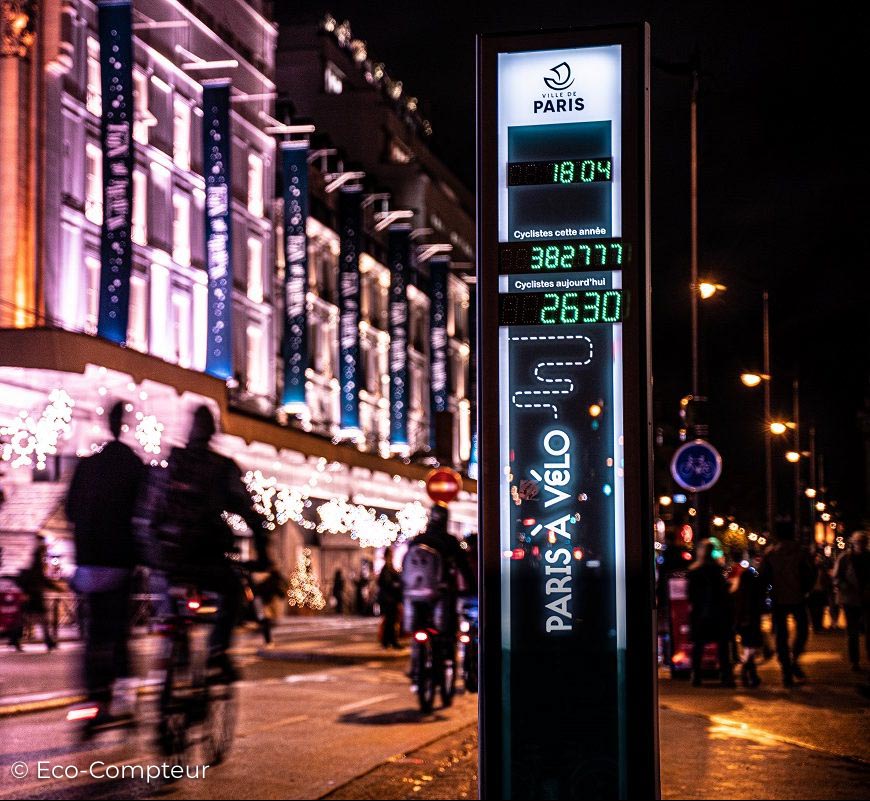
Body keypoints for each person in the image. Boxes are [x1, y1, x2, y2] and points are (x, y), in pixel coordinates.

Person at [148, 405, 270, 683]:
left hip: (169, 556)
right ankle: (217, 650)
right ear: (212, 432)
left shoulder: (173, 462)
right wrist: (263, 553)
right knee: (232, 591)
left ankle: (173, 641)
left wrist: (154, 548)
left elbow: (152, 510)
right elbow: (249, 513)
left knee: (166, 592)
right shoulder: (220, 467)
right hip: (205, 557)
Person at [65, 401, 144, 729]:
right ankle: (122, 699)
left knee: (92, 635)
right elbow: (142, 516)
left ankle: (90, 698)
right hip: (119, 563)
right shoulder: (134, 466)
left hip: (87, 565)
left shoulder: (87, 466)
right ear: (124, 424)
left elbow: (69, 509)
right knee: (119, 634)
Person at [402, 505, 475, 645]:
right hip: (441, 593)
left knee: (416, 628)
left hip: (413, 594)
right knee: (447, 629)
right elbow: (463, 567)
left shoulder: (417, 540)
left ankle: (417, 662)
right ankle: (446, 652)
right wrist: (471, 588)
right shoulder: (450, 541)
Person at [761, 522, 816, 687]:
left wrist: (768, 594)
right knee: (802, 631)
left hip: (778, 599)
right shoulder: (801, 552)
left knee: (781, 635)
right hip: (798, 597)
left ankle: (786, 668)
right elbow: (811, 573)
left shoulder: (770, 553)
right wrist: (805, 589)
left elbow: (764, 577)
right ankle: (794, 660)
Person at [687, 539, 734, 687]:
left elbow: (690, 595)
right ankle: (725, 675)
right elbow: (724, 593)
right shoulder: (718, 570)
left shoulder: (694, 571)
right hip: (718, 613)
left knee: (699, 645)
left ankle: (696, 674)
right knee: (722, 646)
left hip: (701, 613)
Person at [10, 540, 58, 652]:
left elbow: (44, 582)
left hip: (33, 599)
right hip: (33, 599)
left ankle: (48, 642)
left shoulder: (36, 568)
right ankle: (15, 639)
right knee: (34, 621)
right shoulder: (36, 569)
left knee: (31, 621)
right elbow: (43, 582)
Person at [833, 531, 870, 672]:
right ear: (853, 543)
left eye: (863, 542)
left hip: (867, 599)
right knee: (852, 632)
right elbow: (836, 578)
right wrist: (845, 586)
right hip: (851, 599)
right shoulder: (845, 558)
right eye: (858, 542)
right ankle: (854, 661)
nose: (861, 545)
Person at [733, 555, 766, 688]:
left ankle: (750, 675)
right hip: (751, 624)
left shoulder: (739, 595)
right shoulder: (753, 597)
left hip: (744, 625)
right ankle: (748, 674)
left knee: (749, 650)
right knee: (750, 651)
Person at [377, 547, 403, 649]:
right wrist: (396, 585)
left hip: (391, 599)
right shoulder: (386, 569)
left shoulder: (390, 568)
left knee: (392, 620)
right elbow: (387, 584)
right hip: (388, 599)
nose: (392, 557)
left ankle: (389, 641)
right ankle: (389, 641)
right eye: (390, 555)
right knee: (390, 620)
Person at [807, 553, 834, 633]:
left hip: (821, 592)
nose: (819, 560)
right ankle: (816, 626)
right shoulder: (811, 569)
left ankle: (819, 626)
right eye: (817, 558)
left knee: (820, 610)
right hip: (813, 592)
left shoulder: (823, 569)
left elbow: (827, 580)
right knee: (813, 611)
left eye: (820, 558)